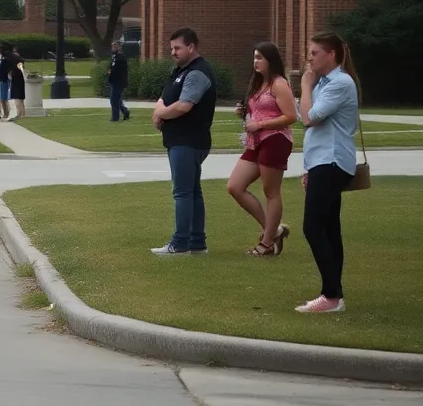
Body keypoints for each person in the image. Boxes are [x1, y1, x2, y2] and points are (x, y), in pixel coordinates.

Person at [295, 32, 361, 313]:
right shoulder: (324, 83)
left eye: (314, 53)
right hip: (322, 162)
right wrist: (309, 167)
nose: (309, 58)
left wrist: (306, 86)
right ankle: (335, 295)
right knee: (330, 228)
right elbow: (307, 118)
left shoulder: (340, 83)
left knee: (313, 227)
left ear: (331, 55)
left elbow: (309, 118)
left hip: (332, 162)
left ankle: (330, 296)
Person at [149, 27, 216, 256]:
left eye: (177, 48)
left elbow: (184, 105)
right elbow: (166, 97)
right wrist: (161, 109)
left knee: (183, 193)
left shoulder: (197, 72)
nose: (173, 53)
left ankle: (180, 244)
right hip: (180, 140)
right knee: (192, 191)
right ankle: (197, 242)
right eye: (172, 49)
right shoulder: (180, 70)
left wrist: (161, 113)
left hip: (188, 141)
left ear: (191, 47)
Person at [228, 41, 295, 255]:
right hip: (256, 141)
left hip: (275, 139)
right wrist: (244, 112)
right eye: (254, 57)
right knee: (235, 186)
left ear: (270, 60)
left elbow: (290, 117)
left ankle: (267, 244)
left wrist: (261, 124)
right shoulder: (259, 83)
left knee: (271, 192)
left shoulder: (278, 83)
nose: (255, 62)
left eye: (260, 58)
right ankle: (274, 230)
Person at [107, 40, 131, 122]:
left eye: (116, 46)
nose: (114, 48)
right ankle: (125, 111)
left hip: (119, 82)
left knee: (114, 100)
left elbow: (120, 71)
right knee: (117, 99)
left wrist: (111, 72)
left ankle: (115, 117)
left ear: (119, 47)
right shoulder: (114, 57)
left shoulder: (121, 58)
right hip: (114, 81)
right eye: (113, 46)